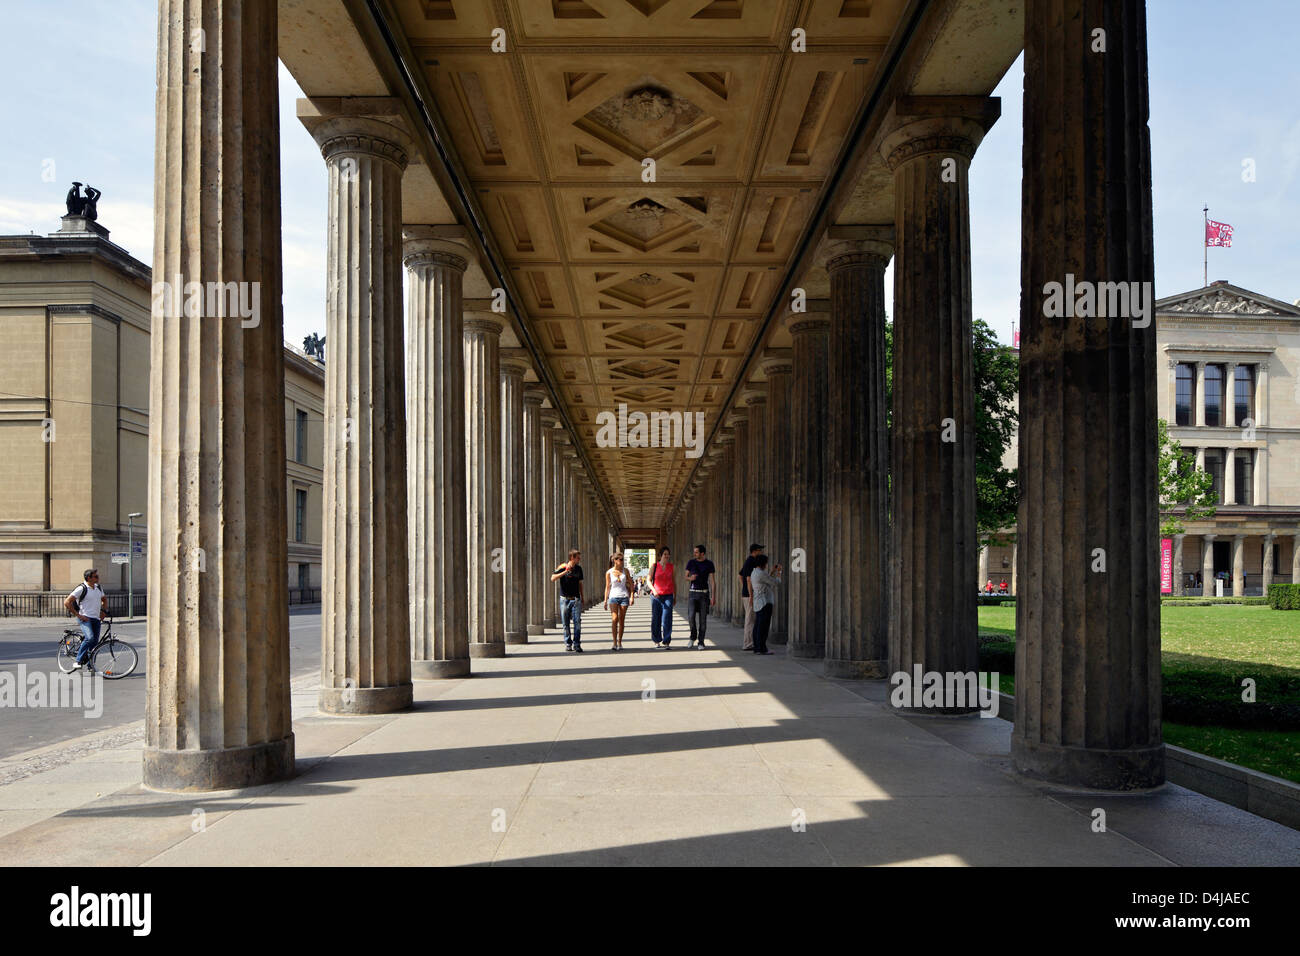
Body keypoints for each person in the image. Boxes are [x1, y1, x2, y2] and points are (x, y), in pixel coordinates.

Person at [63, 568, 105, 671]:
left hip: (96, 619)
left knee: (95, 643)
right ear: (89, 578)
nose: (98, 578)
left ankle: (91, 666)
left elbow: (104, 599)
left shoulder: (98, 587)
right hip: (85, 618)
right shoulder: (82, 588)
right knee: (89, 638)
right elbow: (67, 602)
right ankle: (78, 660)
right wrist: (78, 615)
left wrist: (103, 611)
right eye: (96, 576)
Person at [550, 550, 585, 652]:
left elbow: (580, 584)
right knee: (565, 623)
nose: (579, 559)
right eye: (578, 557)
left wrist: (582, 597)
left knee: (577, 622)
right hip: (564, 599)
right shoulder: (562, 566)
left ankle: (577, 644)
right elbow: (552, 578)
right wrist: (565, 571)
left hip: (576, 599)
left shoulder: (579, 569)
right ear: (572, 558)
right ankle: (568, 643)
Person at [749, 554, 783, 654]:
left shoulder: (755, 572)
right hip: (765, 602)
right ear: (763, 563)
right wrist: (779, 572)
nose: (767, 565)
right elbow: (776, 583)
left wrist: (772, 571)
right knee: (763, 627)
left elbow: (766, 580)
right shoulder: (761, 574)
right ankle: (762, 648)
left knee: (758, 626)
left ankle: (757, 647)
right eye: (766, 563)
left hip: (758, 602)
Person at [685, 544, 715, 649]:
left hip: (704, 594)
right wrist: (690, 578)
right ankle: (693, 637)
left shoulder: (709, 564)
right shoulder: (691, 562)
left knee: (703, 619)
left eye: (696, 552)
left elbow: (712, 581)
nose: (694, 554)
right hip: (693, 593)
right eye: (694, 552)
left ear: (702, 553)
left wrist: (713, 596)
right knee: (691, 617)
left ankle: (701, 642)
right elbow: (685, 576)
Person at [604, 552, 635, 651]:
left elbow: (631, 583)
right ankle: (614, 642)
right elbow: (607, 587)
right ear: (615, 561)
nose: (622, 562)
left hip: (624, 597)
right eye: (620, 560)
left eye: (623, 560)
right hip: (613, 597)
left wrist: (632, 597)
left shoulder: (625, 571)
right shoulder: (609, 572)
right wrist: (605, 600)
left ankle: (619, 642)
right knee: (614, 619)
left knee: (621, 620)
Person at [738, 543, 763, 650]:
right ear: (754, 551)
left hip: (746, 593)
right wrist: (751, 594)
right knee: (750, 619)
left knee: (750, 618)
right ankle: (748, 644)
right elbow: (748, 579)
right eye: (759, 550)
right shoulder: (752, 561)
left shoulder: (748, 561)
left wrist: (744, 588)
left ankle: (749, 642)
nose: (760, 552)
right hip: (749, 595)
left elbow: (740, 575)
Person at [649, 546, 675, 647]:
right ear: (660, 555)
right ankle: (656, 640)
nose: (667, 556)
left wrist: (675, 595)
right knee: (656, 618)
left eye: (668, 554)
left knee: (667, 618)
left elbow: (674, 582)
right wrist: (654, 590)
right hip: (656, 596)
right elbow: (648, 580)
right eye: (665, 554)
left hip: (668, 595)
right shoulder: (654, 566)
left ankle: (667, 640)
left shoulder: (671, 567)